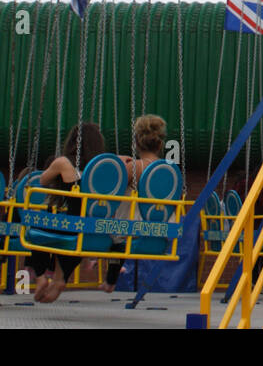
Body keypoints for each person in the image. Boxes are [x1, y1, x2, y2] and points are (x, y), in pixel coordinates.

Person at [23, 122, 118, 304]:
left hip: (74, 226)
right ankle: (60, 279)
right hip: (97, 229)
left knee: (35, 226)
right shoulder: (105, 168)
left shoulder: (64, 163)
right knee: (71, 244)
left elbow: (42, 181)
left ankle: (41, 276)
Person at [99, 114, 167, 293]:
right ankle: (110, 278)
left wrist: (119, 163)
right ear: (160, 144)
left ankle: (110, 280)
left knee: (112, 239)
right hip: (160, 229)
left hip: (129, 229)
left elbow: (110, 188)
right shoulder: (167, 170)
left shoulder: (133, 167)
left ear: (136, 142)